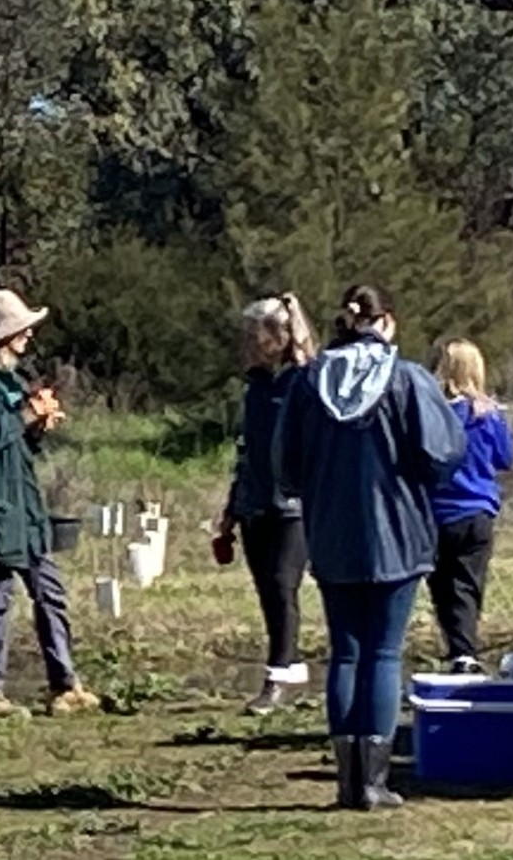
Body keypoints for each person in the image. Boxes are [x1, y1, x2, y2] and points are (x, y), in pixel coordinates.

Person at [274, 285, 465, 812]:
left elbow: (285, 466)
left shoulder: (309, 380)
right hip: (399, 531)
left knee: (345, 652)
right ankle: (374, 783)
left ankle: (345, 782)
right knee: (383, 653)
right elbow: (444, 451)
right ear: (388, 322)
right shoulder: (407, 379)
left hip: (332, 532)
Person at [0, 288, 99, 719]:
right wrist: (24, 416)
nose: (28, 337)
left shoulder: (9, 377)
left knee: (50, 592)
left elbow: (12, 438)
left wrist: (35, 425)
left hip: (22, 506)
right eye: (21, 330)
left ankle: (65, 684)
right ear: (1, 336)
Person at [216, 293, 318, 714]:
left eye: (256, 333)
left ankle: (277, 678)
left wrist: (295, 313)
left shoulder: (300, 379)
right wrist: (230, 510)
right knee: (267, 592)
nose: (248, 340)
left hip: (292, 505)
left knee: (281, 585)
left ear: (276, 336)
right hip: (255, 503)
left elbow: (309, 357)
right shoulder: (256, 388)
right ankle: (290, 665)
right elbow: (248, 451)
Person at [427, 338, 513, 674]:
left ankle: (457, 647)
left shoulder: (433, 414)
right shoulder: (488, 415)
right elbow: (505, 458)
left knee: (442, 586)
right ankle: (465, 650)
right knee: (469, 582)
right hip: (477, 511)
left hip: (436, 513)